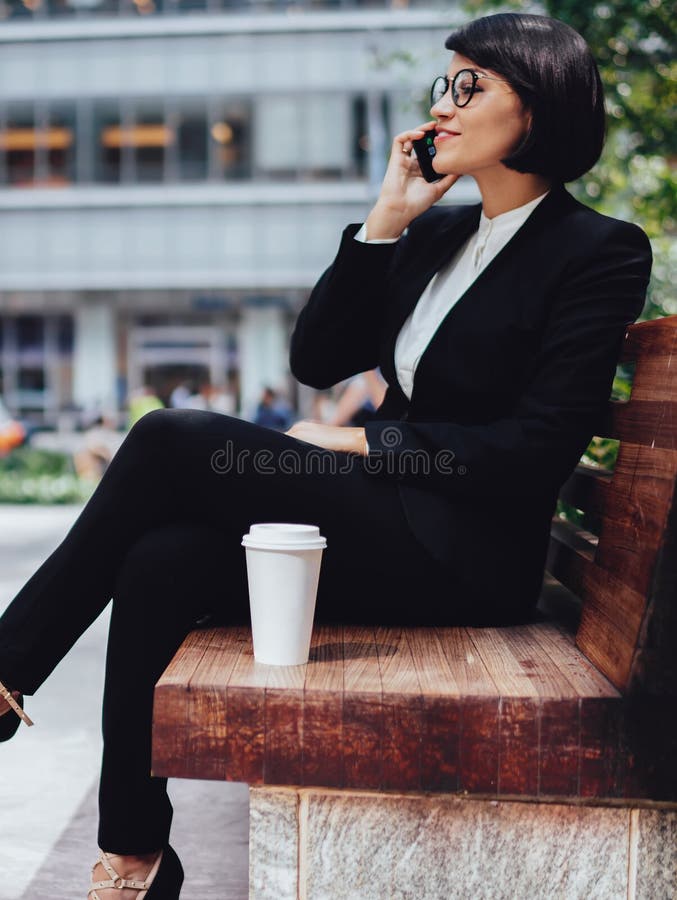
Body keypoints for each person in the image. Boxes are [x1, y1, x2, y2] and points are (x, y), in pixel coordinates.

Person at [0, 12, 653, 898]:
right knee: (159, 559)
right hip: (385, 523)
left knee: (170, 436)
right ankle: (134, 851)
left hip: (464, 554)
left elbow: (534, 453)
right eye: (443, 85)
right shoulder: (436, 235)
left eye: (472, 86)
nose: (444, 107)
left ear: (535, 108)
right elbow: (316, 358)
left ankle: (4, 670)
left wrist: (361, 438)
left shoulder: (596, 249)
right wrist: (384, 219)